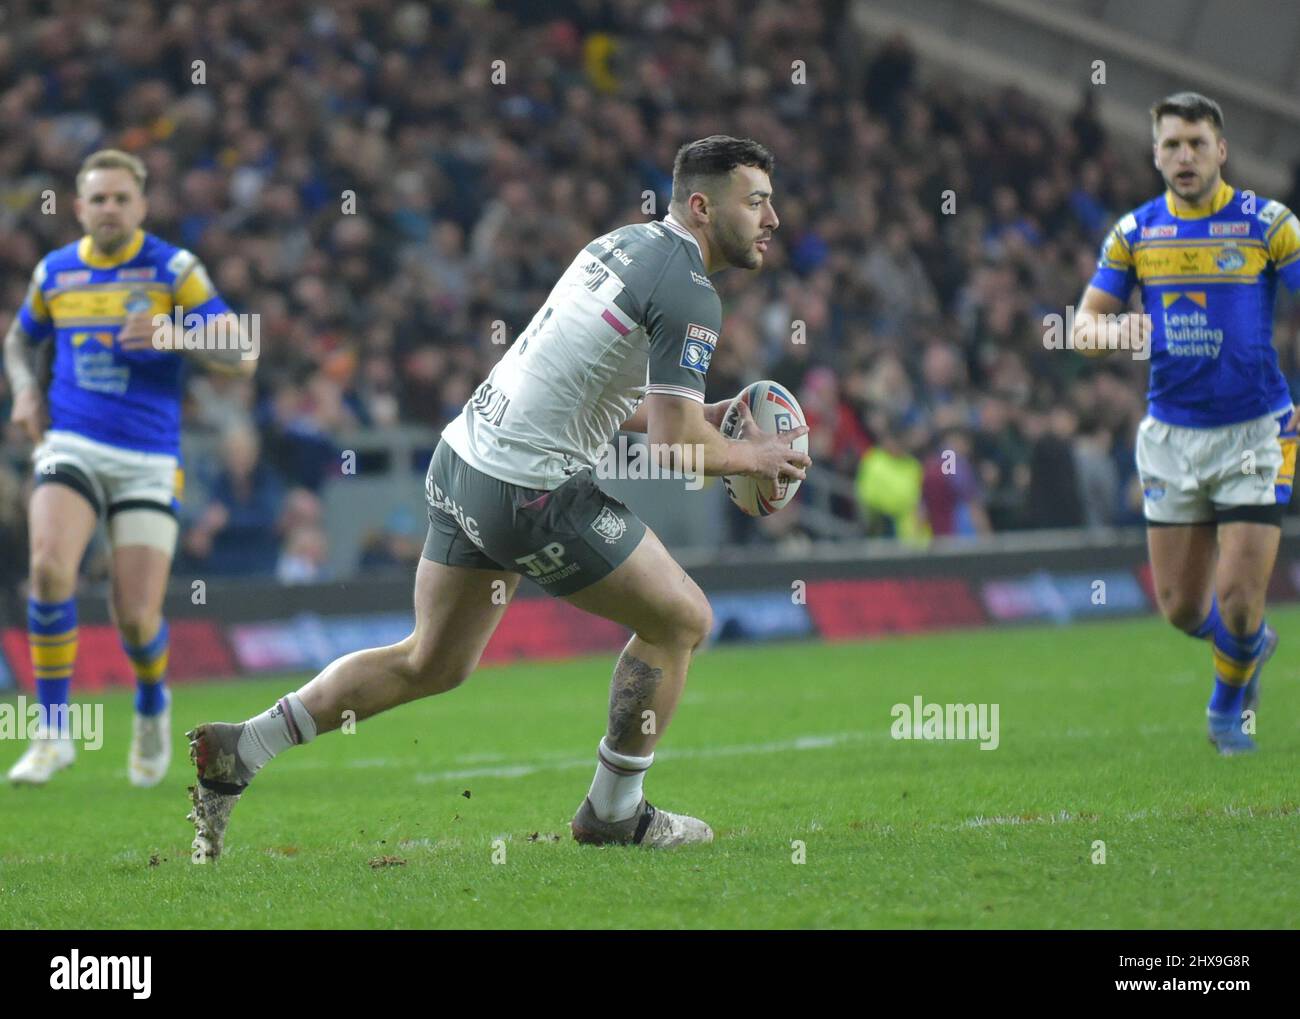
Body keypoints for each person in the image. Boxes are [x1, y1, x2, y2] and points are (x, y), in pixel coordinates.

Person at [186, 135, 811, 859]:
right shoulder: (690, 289)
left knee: (433, 662)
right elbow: (676, 449)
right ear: (703, 206)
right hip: (528, 488)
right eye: (756, 200)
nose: (771, 218)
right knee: (681, 620)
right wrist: (752, 453)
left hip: (464, 460)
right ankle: (614, 811)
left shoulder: (625, 245)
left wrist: (707, 422)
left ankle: (244, 746)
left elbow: (603, 390)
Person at [3, 149, 256, 786]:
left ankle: (151, 701)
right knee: (48, 569)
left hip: (147, 460)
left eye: (122, 198)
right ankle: (53, 733)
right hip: (73, 445)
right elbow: (20, 338)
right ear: (79, 207)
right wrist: (25, 391)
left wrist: (177, 336)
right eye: (98, 199)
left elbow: (243, 351)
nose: (110, 209)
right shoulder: (56, 272)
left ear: (141, 206)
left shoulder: (175, 270)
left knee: (135, 617)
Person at [1071, 93, 1300, 754]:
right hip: (1171, 437)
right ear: (1154, 154)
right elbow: (1084, 322)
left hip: (1258, 432)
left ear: (1221, 150)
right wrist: (1108, 332)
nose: (1185, 156)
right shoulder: (1136, 232)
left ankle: (1227, 712)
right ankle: (1251, 644)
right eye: (1171, 144)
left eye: (1197, 143)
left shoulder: (1269, 224)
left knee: (1236, 597)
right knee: (1178, 606)